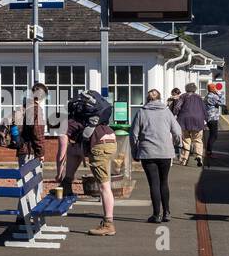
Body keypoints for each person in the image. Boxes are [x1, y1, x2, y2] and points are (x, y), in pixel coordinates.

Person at [59, 105, 118, 237]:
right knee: (73, 150)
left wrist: (59, 173)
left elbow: (61, 153)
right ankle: (67, 183)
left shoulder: (66, 125)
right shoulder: (85, 120)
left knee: (104, 186)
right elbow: (74, 150)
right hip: (110, 139)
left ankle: (108, 224)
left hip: (99, 145)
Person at [130, 88, 183, 223]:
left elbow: (134, 135)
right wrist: (177, 144)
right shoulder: (166, 112)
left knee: (154, 183)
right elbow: (177, 131)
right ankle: (167, 212)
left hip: (147, 152)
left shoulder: (141, 112)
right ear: (159, 99)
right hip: (165, 152)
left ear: (147, 99)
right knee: (164, 182)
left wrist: (135, 151)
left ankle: (156, 214)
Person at [11, 82, 48, 163]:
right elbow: (38, 134)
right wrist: (41, 153)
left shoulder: (23, 107)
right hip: (31, 152)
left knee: (24, 175)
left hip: (22, 150)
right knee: (32, 175)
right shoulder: (36, 110)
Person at [174, 82, 208, 166]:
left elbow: (177, 107)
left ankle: (184, 159)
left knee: (186, 140)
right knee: (198, 140)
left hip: (184, 120)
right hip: (198, 121)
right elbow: (204, 109)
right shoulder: (199, 97)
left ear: (186, 89)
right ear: (195, 89)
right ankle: (199, 156)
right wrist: (206, 119)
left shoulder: (183, 96)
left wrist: (175, 113)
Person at [204, 82, 226, 161]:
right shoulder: (213, 96)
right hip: (213, 118)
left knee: (212, 135)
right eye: (215, 88)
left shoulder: (207, 96)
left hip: (209, 118)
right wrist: (220, 94)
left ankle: (209, 151)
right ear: (213, 89)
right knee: (213, 135)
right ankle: (209, 152)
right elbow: (223, 103)